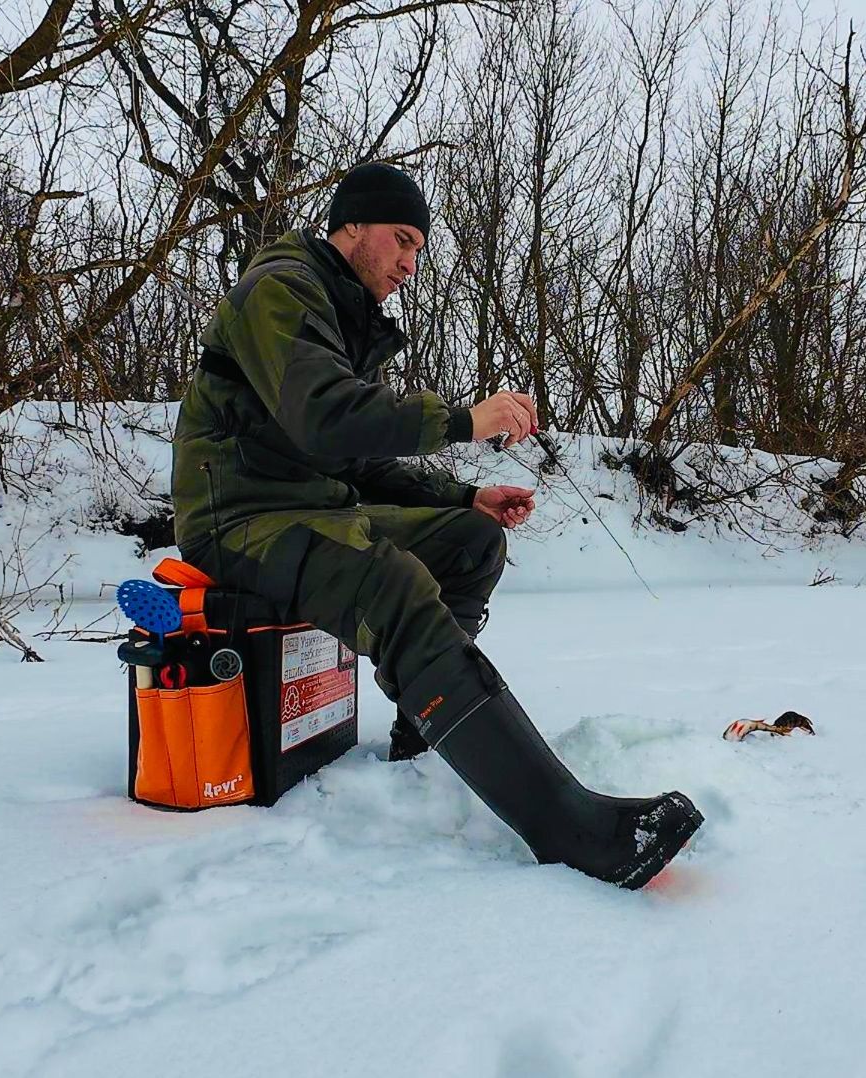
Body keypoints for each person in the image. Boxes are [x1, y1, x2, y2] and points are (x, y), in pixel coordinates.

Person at [170, 163, 700, 889]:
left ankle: (423, 738)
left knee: (472, 543)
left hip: (310, 506)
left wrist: (462, 500)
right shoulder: (281, 289)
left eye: (419, 249)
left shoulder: (336, 310)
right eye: (403, 240)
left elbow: (355, 459)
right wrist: (463, 420)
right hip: (241, 519)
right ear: (351, 225)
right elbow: (327, 418)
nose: (410, 265)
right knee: (392, 585)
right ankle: (570, 828)